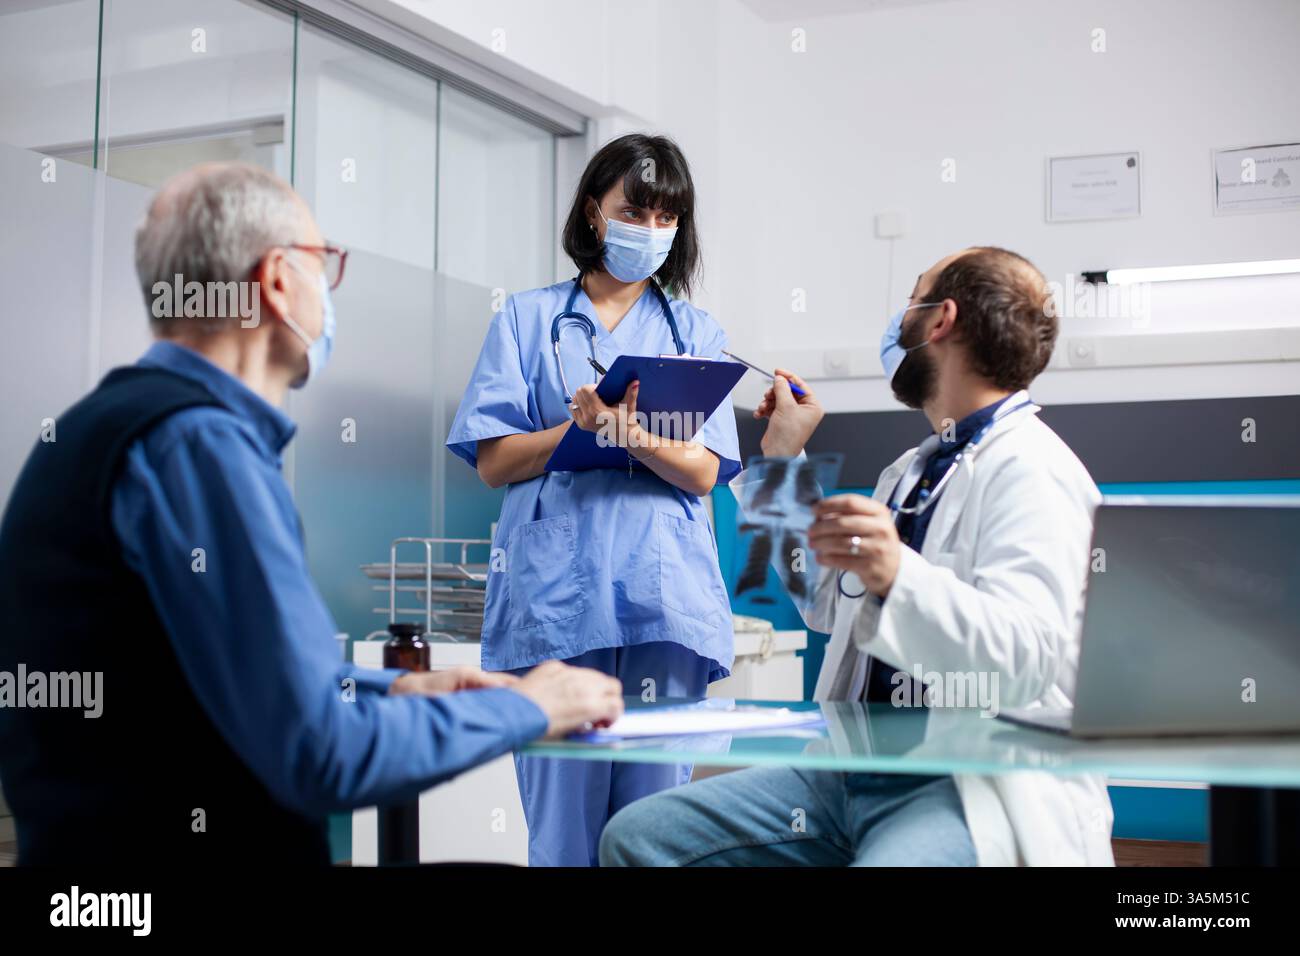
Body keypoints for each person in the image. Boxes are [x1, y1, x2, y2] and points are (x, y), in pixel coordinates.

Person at [0, 162, 622, 867]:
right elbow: (321, 753)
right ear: (274, 281)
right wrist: (531, 707)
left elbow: (242, 682)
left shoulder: (113, 426)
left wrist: (404, 685)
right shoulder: (198, 448)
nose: (329, 294)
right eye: (323, 265)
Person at [600, 246, 1115, 867]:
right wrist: (783, 457)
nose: (898, 323)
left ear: (941, 319)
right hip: (850, 775)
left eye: (910, 302)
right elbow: (825, 602)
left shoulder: (1033, 471)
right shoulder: (917, 471)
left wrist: (899, 573)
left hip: (965, 786)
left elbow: (1028, 660)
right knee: (641, 837)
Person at [446, 134, 741, 866]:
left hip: (661, 604)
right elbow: (491, 460)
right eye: (635, 210)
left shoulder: (695, 334)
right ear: (594, 212)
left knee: (653, 836)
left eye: (667, 217)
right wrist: (575, 432)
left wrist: (629, 434)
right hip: (557, 603)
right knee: (564, 841)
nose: (651, 229)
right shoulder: (524, 320)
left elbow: (704, 472)